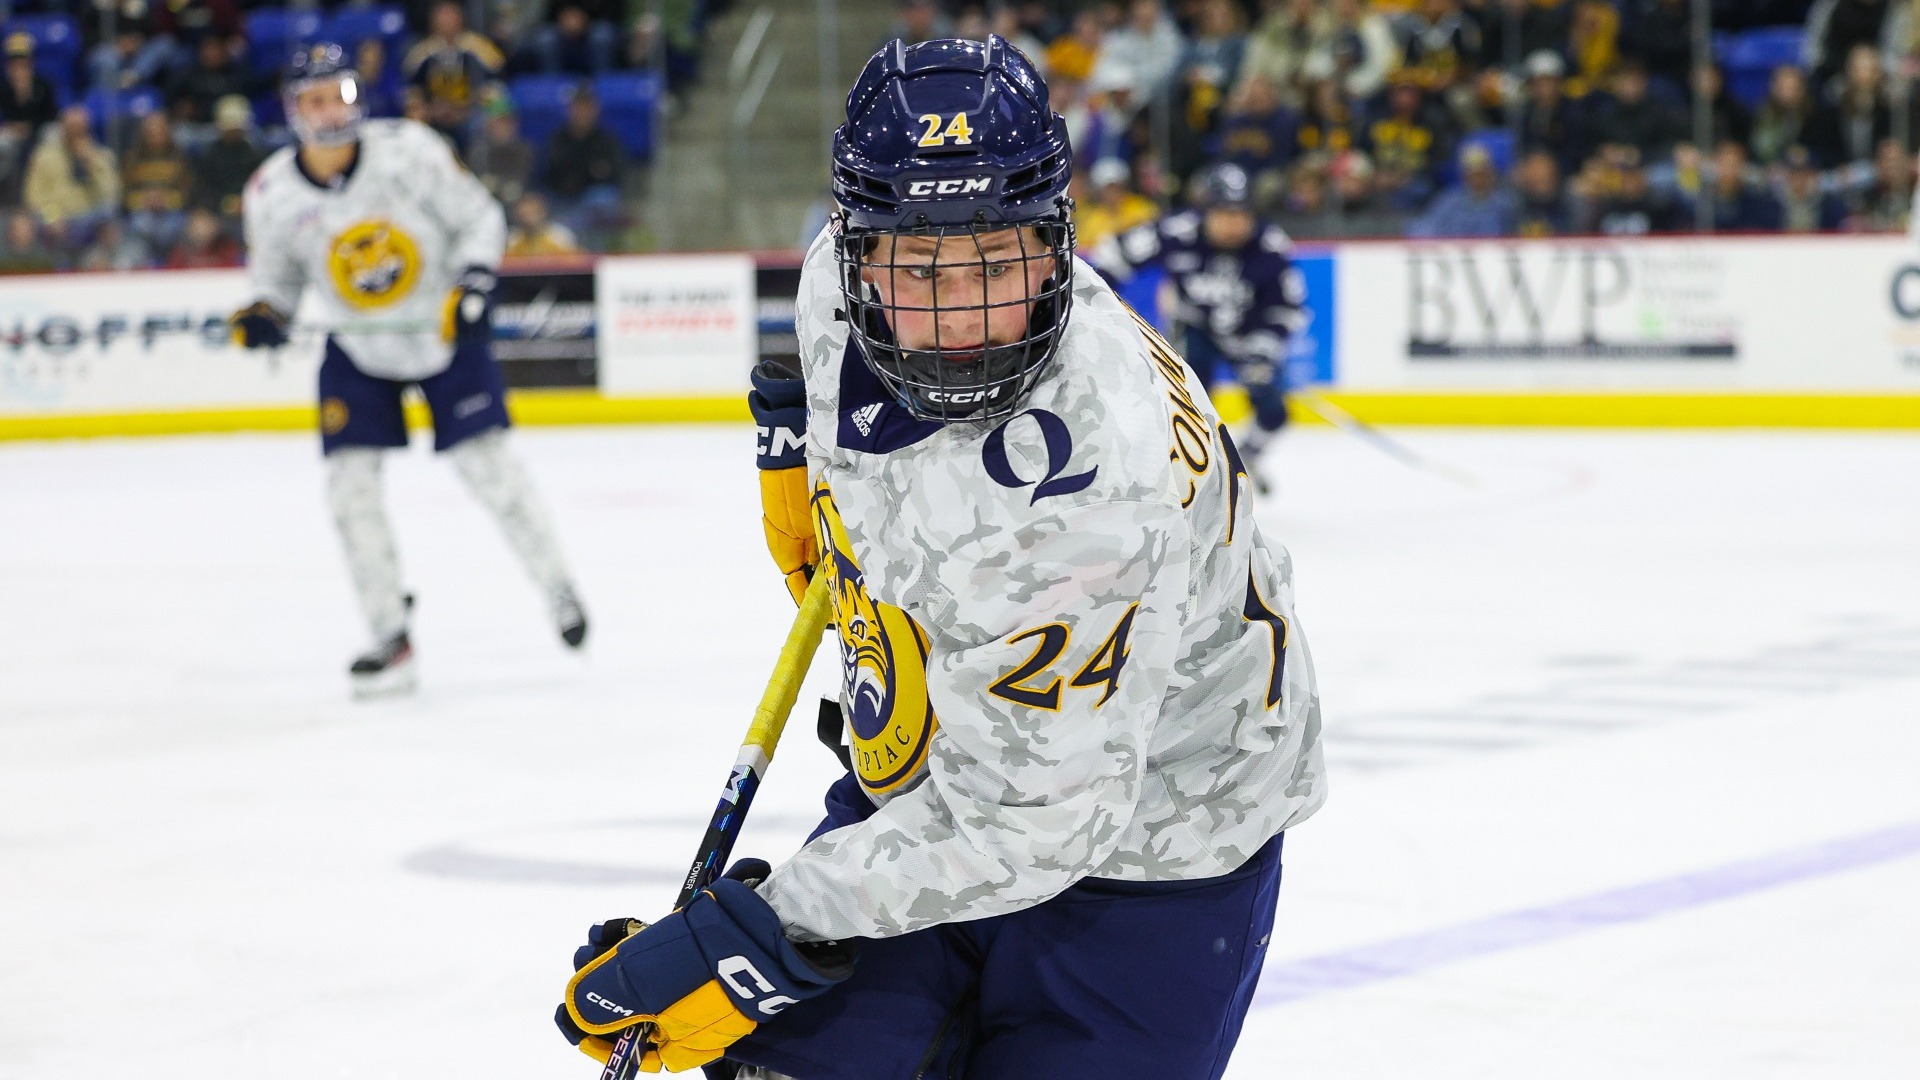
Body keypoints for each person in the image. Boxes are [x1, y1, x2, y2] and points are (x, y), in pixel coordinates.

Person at [555, 38, 1326, 1077]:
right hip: (953, 768)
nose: (959, 311)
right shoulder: (833, 280)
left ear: (1054, 246)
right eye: (918, 265)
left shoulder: (1090, 492)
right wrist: (828, 503)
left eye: (996, 263)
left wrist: (755, 935)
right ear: (856, 242)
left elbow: (1033, 831)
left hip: (1158, 842)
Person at [229, 43, 588, 697]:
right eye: (314, 99)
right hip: (357, 348)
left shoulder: (410, 151)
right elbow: (275, 283)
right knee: (350, 492)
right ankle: (389, 634)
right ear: (292, 110)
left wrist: (476, 283)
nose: (329, 112)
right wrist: (264, 314)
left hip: (443, 329)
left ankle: (558, 586)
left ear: (358, 98)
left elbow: (479, 216)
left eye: (338, 94)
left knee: (494, 473)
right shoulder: (272, 193)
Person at [1091, 161, 1305, 492]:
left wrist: (1263, 352)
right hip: (1196, 329)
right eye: (1224, 213)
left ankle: (1247, 457)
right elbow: (1112, 254)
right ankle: (1186, 471)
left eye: (1242, 213)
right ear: (1206, 211)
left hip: (1248, 337)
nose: (1234, 223)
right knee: (1189, 404)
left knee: (1273, 411)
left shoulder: (1270, 247)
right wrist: (1095, 300)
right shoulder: (1179, 231)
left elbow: (1287, 307)